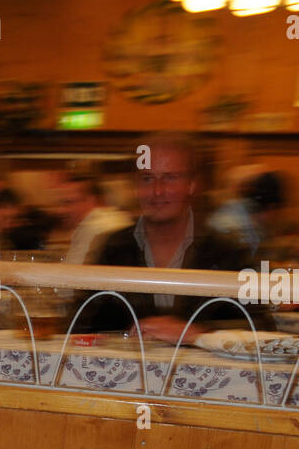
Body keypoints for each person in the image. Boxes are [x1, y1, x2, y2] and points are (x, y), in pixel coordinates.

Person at [81, 133, 255, 340]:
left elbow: (260, 329)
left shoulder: (227, 252)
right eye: (146, 179)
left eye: (170, 178)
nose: (157, 191)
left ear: (192, 185)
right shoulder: (112, 248)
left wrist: (198, 335)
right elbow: (79, 326)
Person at [52, 172, 131, 265]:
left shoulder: (92, 227)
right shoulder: (118, 217)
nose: (61, 210)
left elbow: (70, 272)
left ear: (90, 200)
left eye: (68, 202)